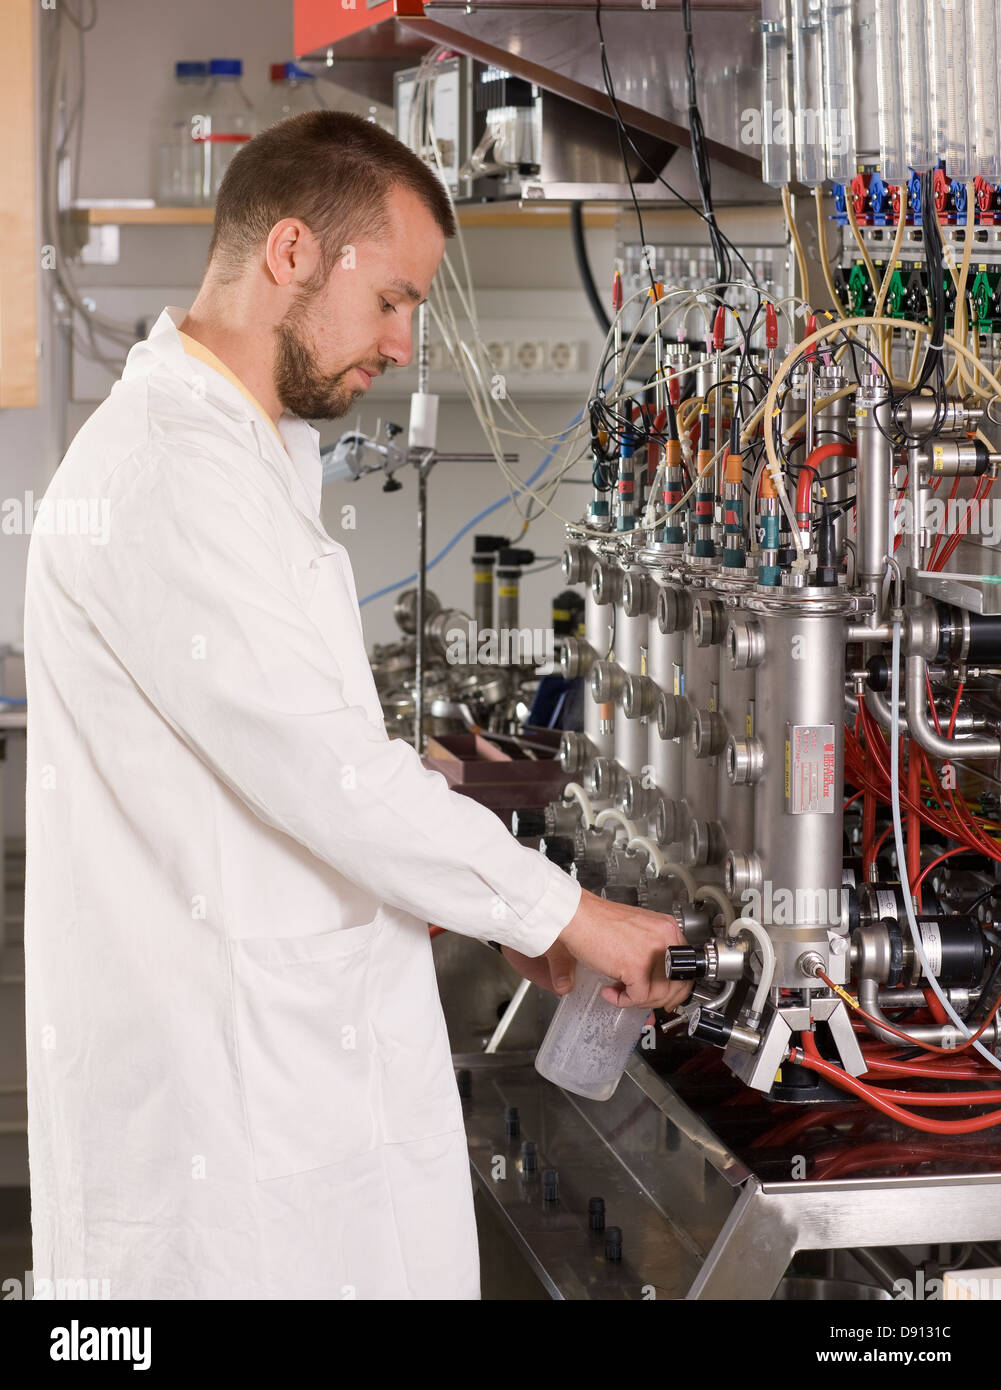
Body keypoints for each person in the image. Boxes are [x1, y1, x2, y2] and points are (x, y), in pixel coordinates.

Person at [22, 110, 689, 1300]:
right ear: (289, 252)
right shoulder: (174, 472)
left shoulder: (241, 455)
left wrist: (501, 909)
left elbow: (305, 769)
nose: (400, 340)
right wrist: (563, 911)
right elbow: (328, 775)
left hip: (280, 1095)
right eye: (389, 298)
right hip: (228, 1144)